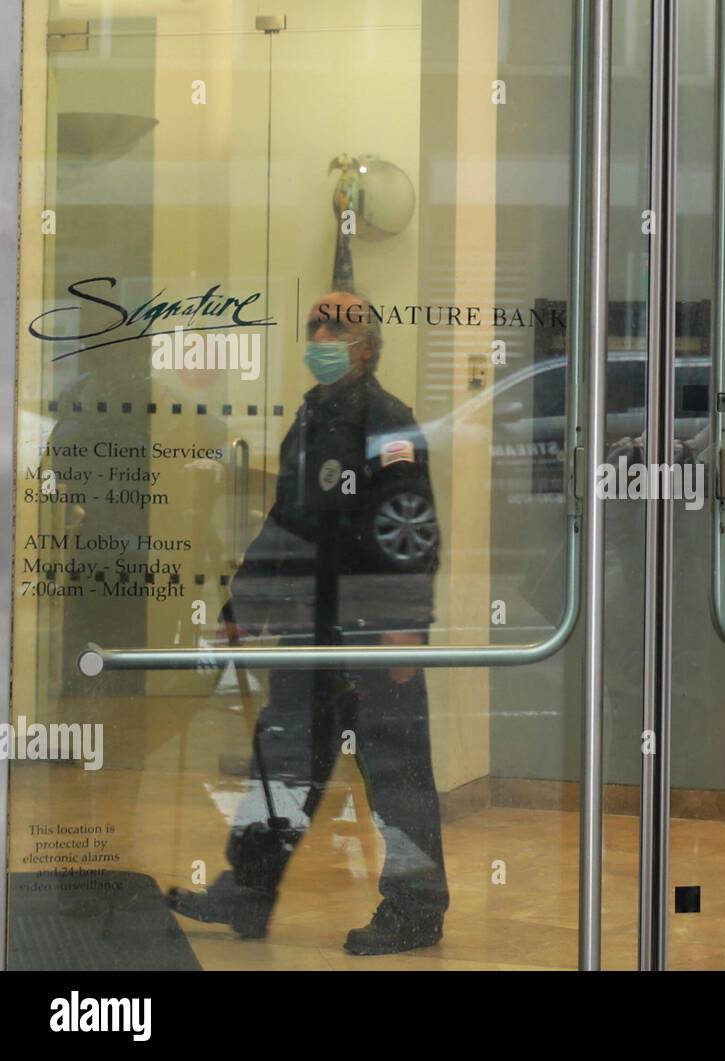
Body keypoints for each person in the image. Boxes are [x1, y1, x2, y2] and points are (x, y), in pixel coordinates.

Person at [167, 291, 449, 956]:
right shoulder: (309, 417)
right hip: (308, 627)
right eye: (315, 324)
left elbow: (410, 527)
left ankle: (415, 909)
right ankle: (249, 891)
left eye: (338, 325)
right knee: (283, 761)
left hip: (374, 631)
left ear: (368, 346)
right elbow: (285, 527)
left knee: (396, 771)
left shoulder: (388, 420)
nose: (322, 333)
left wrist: (405, 627)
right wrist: (242, 611)